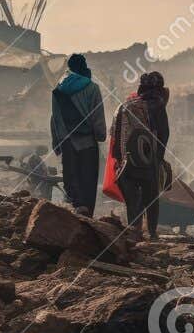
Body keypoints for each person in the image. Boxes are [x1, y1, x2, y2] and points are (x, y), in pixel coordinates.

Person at [111, 71, 170, 241]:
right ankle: (151, 233)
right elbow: (164, 134)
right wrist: (158, 159)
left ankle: (134, 233)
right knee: (151, 197)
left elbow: (115, 136)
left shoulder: (124, 106)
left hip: (125, 162)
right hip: (146, 161)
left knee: (132, 201)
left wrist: (119, 160)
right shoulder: (157, 105)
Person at [50, 54, 106, 215]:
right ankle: (87, 212)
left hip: (67, 141)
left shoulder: (58, 89)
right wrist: (100, 135)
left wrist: (57, 141)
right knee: (88, 179)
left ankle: (78, 206)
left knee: (71, 177)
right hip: (88, 142)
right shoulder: (92, 88)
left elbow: (55, 118)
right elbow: (97, 115)